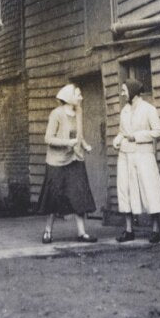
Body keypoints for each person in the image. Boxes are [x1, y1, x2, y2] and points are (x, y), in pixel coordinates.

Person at [37, 83, 98, 244]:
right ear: (69, 98)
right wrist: (67, 143)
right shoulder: (56, 114)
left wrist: (85, 145)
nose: (81, 98)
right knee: (54, 198)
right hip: (57, 162)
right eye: (78, 95)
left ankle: (82, 233)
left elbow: (79, 135)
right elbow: (48, 139)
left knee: (79, 195)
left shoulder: (78, 111)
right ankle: (48, 232)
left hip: (75, 159)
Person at [114, 78, 160, 243]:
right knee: (126, 190)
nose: (122, 94)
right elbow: (122, 131)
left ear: (133, 91)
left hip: (144, 155)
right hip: (125, 155)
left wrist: (136, 136)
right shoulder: (125, 111)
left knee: (149, 190)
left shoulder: (148, 109)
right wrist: (117, 139)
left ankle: (156, 230)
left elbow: (158, 131)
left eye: (124, 91)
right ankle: (129, 230)